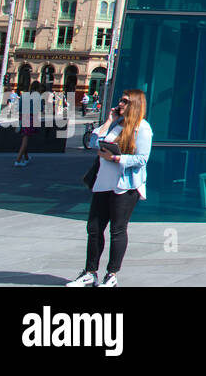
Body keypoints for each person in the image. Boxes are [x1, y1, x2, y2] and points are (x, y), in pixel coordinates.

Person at [66, 89, 153, 288]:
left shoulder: (143, 129)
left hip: (125, 186)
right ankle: (90, 272)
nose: (120, 104)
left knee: (117, 229)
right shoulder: (116, 125)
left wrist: (115, 158)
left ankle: (112, 274)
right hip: (103, 183)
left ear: (135, 105)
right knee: (94, 228)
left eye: (124, 101)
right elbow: (93, 142)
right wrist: (108, 120)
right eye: (120, 101)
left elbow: (142, 159)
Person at [14, 81, 44, 168]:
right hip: (31, 118)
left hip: (23, 117)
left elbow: (19, 108)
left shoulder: (24, 95)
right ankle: (18, 160)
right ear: (38, 88)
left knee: (25, 138)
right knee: (26, 138)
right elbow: (41, 109)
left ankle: (26, 157)